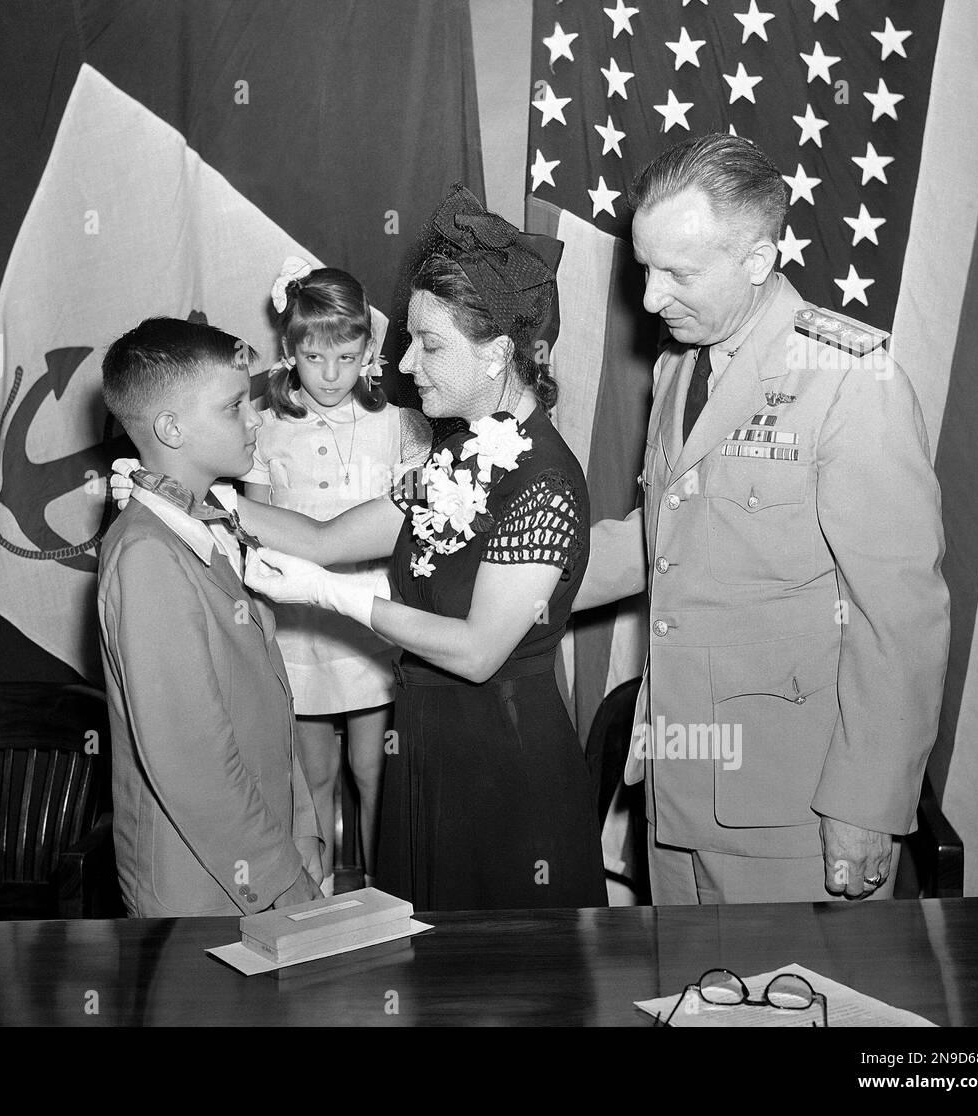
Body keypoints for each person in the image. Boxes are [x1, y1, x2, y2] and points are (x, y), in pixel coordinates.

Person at [115, 186, 606, 910]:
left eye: (431, 346)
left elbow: (476, 650)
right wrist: (195, 494)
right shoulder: (461, 455)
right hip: (426, 748)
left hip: (502, 766)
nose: (406, 367)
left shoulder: (545, 484)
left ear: (500, 350)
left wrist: (334, 595)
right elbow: (327, 535)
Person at [575, 133, 950, 905]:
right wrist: (488, 577)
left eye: (676, 273)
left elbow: (902, 616)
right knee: (685, 1006)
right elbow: (658, 544)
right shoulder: (682, 363)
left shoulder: (850, 379)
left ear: (757, 261)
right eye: (644, 268)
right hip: (679, 785)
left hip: (796, 809)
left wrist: (866, 808)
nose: (648, 299)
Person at [97, 317, 324, 917]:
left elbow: (269, 699)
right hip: (200, 889)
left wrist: (303, 829)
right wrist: (280, 881)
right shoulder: (147, 554)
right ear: (170, 428)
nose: (254, 419)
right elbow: (191, 760)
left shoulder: (205, 524)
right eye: (233, 406)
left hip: (259, 860)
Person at [243, 258, 431, 895]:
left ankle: (385, 888)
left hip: (371, 621)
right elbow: (257, 526)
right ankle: (317, 894)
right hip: (299, 629)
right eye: (314, 358)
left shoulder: (398, 424)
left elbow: (423, 518)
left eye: (346, 358)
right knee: (313, 775)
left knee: (373, 768)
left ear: (369, 352)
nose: (330, 375)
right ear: (290, 350)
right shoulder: (266, 428)